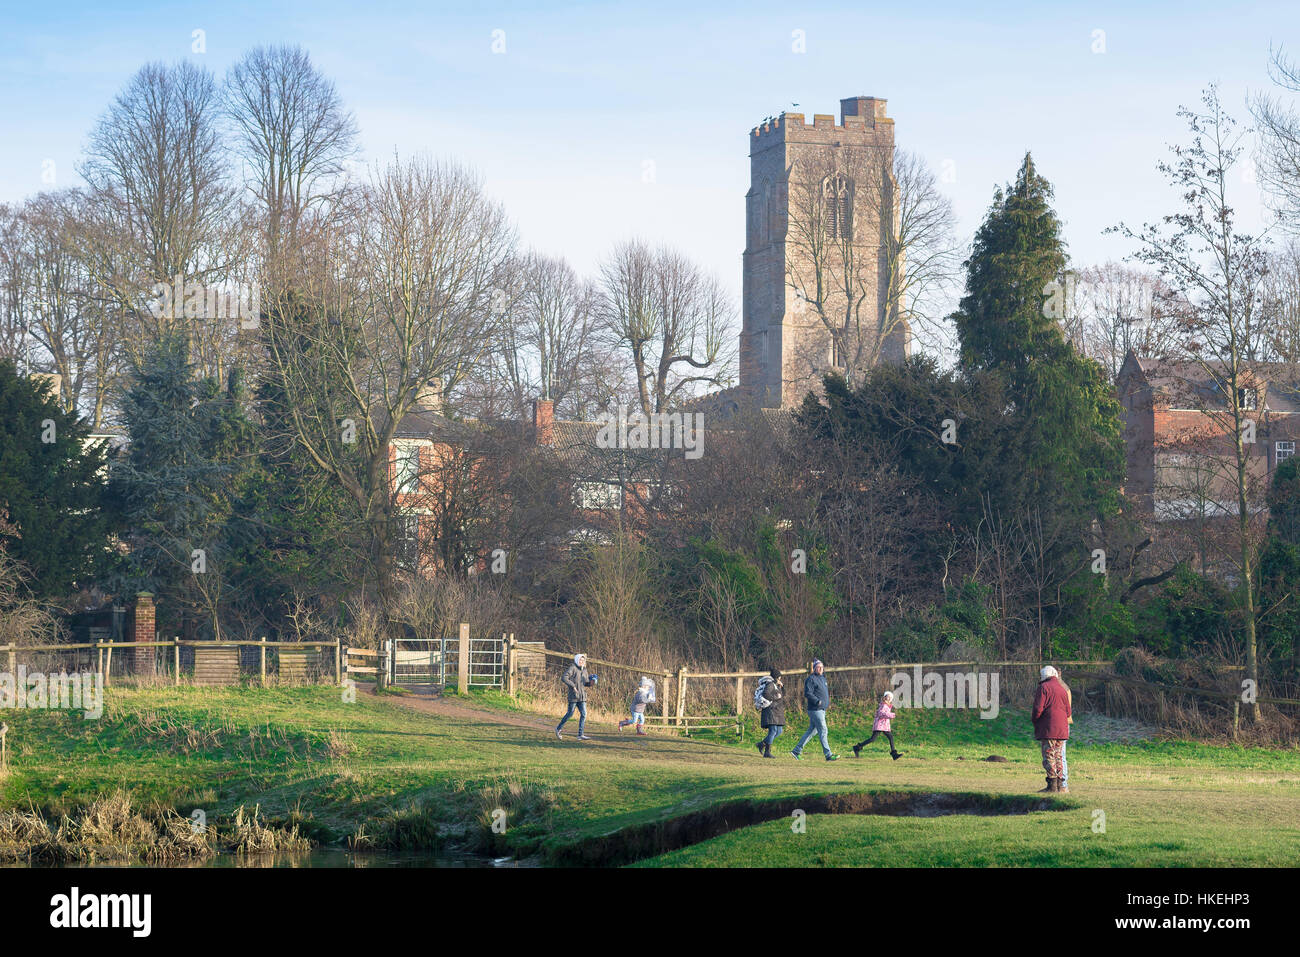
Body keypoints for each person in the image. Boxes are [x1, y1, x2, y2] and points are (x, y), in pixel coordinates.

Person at [1031, 665, 1071, 792]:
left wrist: (1035, 720)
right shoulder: (1062, 689)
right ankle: (1060, 785)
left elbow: (1038, 709)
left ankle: (1052, 785)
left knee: (1049, 755)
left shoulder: (1043, 688)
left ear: (1044, 677)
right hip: (1063, 729)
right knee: (1058, 755)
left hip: (1049, 729)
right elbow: (1068, 712)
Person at [791, 659, 837, 761]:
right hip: (815, 709)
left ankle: (796, 751)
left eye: (821, 667)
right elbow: (808, 693)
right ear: (814, 668)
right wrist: (817, 701)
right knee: (823, 730)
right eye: (818, 667)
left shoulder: (823, 678)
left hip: (822, 709)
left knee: (812, 731)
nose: (820, 669)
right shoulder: (811, 679)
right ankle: (828, 755)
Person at [852, 690, 903, 760]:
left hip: (884, 726)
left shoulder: (887, 706)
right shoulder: (883, 705)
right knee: (873, 739)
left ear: (891, 699)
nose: (888, 698)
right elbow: (881, 713)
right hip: (880, 725)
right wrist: (892, 715)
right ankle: (857, 747)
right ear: (884, 697)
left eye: (889, 697)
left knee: (890, 737)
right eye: (887, 697)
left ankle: (894, 754)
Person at [556, 653, 594, 741]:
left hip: (582, 697)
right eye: (580, 660)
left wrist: (591, 683)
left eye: (583, 660)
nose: (582, 662)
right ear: (577, 660)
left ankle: (580, 734)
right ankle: (558, 729)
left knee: (584, 714)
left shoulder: (585, 670)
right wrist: (573, 686)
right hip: (573, 696)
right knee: (570, 714)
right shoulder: (572, 668)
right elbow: (564, 678)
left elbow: (585, 683)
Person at [756, 669, 785, 758]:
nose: (780, 678)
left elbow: (783, 695)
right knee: (773, 731)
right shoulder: (770, 684)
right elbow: (766, 694)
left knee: (779, 731)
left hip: (777, 711)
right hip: (771, 711)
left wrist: (782, 687)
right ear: (777, 677)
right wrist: (776, 697)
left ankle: (762, 744)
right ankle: (767, 752)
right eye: (779, 677)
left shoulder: (776, 685)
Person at [1060, 673, 1073, 792]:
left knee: (1061, 754)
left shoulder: (1061, 688)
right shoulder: (1065, 687)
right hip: (1065, 723)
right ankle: (1063, 783)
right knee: (1061, 754)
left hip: (1061, 723)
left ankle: (1063, 784)